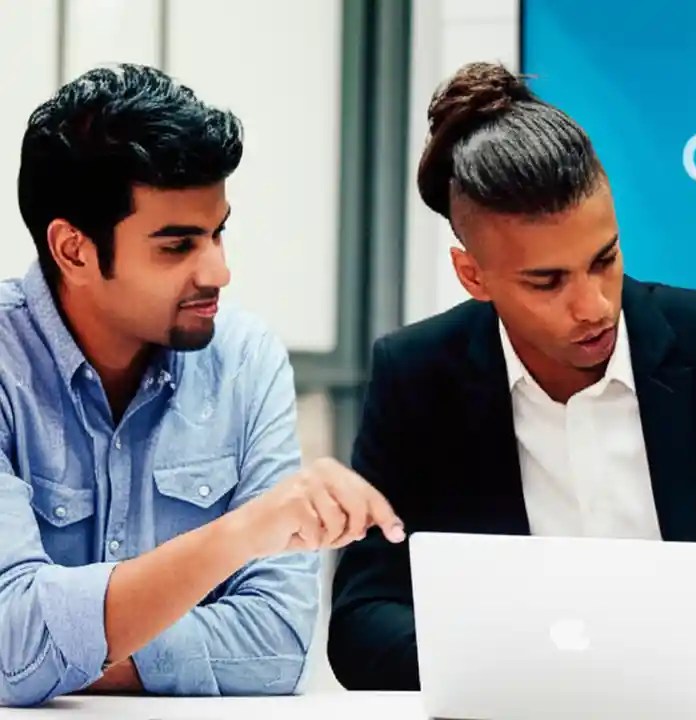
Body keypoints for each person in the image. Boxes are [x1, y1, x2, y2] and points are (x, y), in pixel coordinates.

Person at [327, 62, 696, 712]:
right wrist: (502, 658)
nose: (594, 307)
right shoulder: (418, 376)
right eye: (547, 282)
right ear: (473, 276)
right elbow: (360, 621)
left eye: (605, 259)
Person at [0, 64, 403, 707]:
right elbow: (7, 645)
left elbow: (277, 646)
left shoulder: (246, 359)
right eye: (176, 246)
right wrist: (243, 533)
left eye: (217, 233)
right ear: (73, 251)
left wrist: (60, 649)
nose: (219, 270)